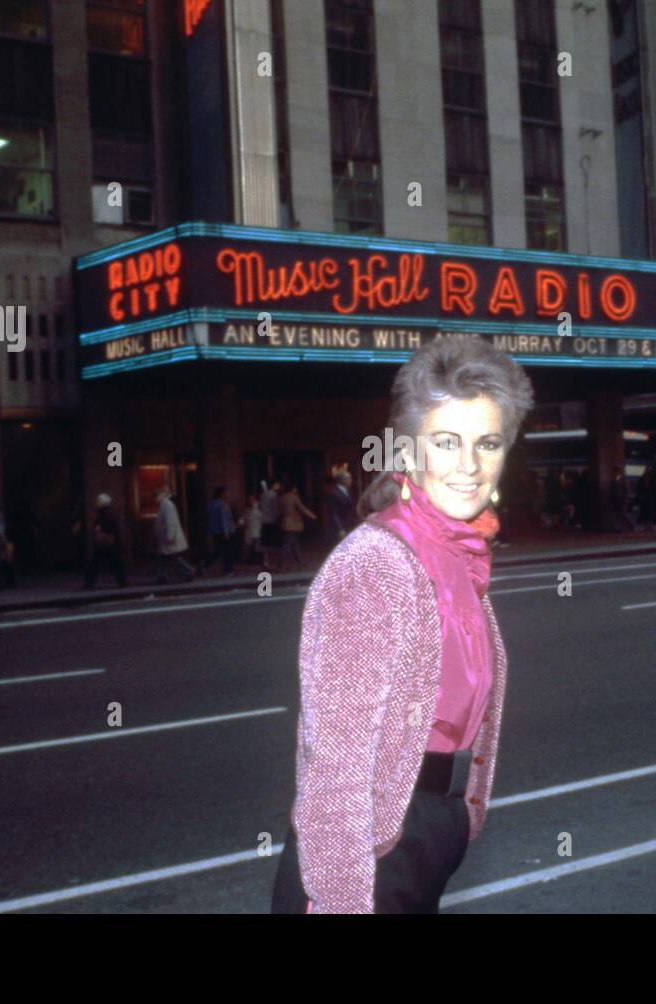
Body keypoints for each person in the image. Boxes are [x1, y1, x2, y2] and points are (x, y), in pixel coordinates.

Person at [270, 335, 533, 914]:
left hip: (416, 841)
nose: (469, 465)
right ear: (409, 452)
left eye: (487, 443)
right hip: (366, 861)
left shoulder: (456, 556)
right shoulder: (379, 564)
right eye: (446, 442)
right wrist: (342, 901)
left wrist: (452, 824)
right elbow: (335, 768)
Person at [83, 493, 127, 588]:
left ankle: (89, 583)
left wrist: (100, 532)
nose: (97, 503)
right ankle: (122, 581)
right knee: (115, 563)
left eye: (98, 501)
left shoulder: (104, 514)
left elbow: (104, 527)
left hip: (106, 543)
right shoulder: (110, 513)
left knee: (96, 563)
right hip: (109, 543)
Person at [154, 488, 196, 583]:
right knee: (166, 558)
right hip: (166, 538)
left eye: (157, 496)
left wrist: (170, 536)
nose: (155, 498)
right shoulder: (164, 505)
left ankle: (188, 571)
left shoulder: (167, 505)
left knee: (171, 558)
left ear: (162, 495)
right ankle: (162, 576)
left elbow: (171, 522)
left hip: (168, 538)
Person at [279, 482, 316, 570]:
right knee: (289, 544)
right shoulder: (294, 497)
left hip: (285, 522)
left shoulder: (282, 498)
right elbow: (301, 508)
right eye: (295, 488)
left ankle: (300, 563)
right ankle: (284, 564)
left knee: (293, 543)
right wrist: (312, 515)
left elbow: (280, 510)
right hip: (293, 523)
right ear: (292, 489)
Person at [208, 487, 237, 576]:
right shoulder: (223, 505)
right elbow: (224, 519)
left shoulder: (212, 505)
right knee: (229, 551)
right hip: (226, 531)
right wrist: (226, 532)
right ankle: (228, 570)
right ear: (222, 494)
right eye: (226, 493)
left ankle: (205, 564)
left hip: (216, 531)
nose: (228, 495)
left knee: (218, 551)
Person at [258, 480, 282, 570]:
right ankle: (272, 563)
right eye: (278, 484)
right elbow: (275, 509)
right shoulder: (274, 495)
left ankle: (265, 562)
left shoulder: (262, 494)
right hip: (271, 520)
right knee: (272, 543)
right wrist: (277, 518)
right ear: (274, 485)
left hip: (263, 520)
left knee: (265, 542)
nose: (279, 486)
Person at [241, 493, 265, 567]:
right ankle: (252, 560)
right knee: (250, 546)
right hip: (249, 530)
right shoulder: (247, 510)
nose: (250, 501)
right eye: (249, 499)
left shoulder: (257, 510)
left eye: (252, 499)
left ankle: (259, 560)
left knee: (256, 546)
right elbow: (243, 519)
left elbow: (261, 520)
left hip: (256, 530)